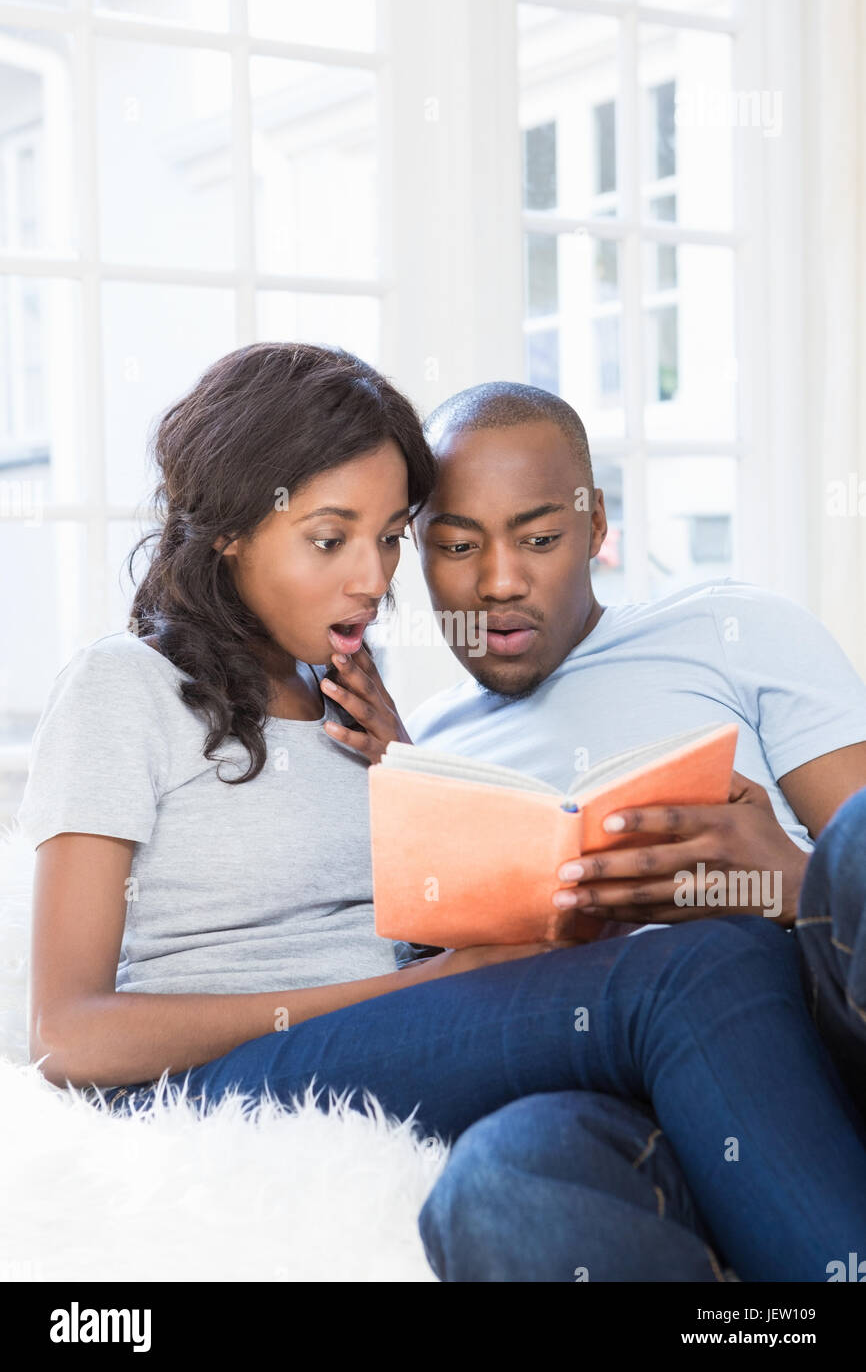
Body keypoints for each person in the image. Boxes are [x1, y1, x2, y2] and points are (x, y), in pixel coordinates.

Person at [16, 345, 866, 1286]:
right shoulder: (122, 685)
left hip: (400, 1044)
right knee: (693, 970)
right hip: (225, 1081)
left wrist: (423, 786)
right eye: (331, 538)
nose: (373, 581)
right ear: (229, 529)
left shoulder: (352, 706)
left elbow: (414, 931)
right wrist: (429, 986)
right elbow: (67, 1034)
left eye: (387, 539)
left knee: (715, 959)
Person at [392, 380, 866, 1280]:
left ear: (596, 526)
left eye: (539, 539)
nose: (498, 582)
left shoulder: (732, 630)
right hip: (624, 1099)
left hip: (820, 1027)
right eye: (457, 547)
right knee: (496, 1182)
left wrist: (785, 878)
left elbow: (859, 861)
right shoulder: (428, 750)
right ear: (418, 551)